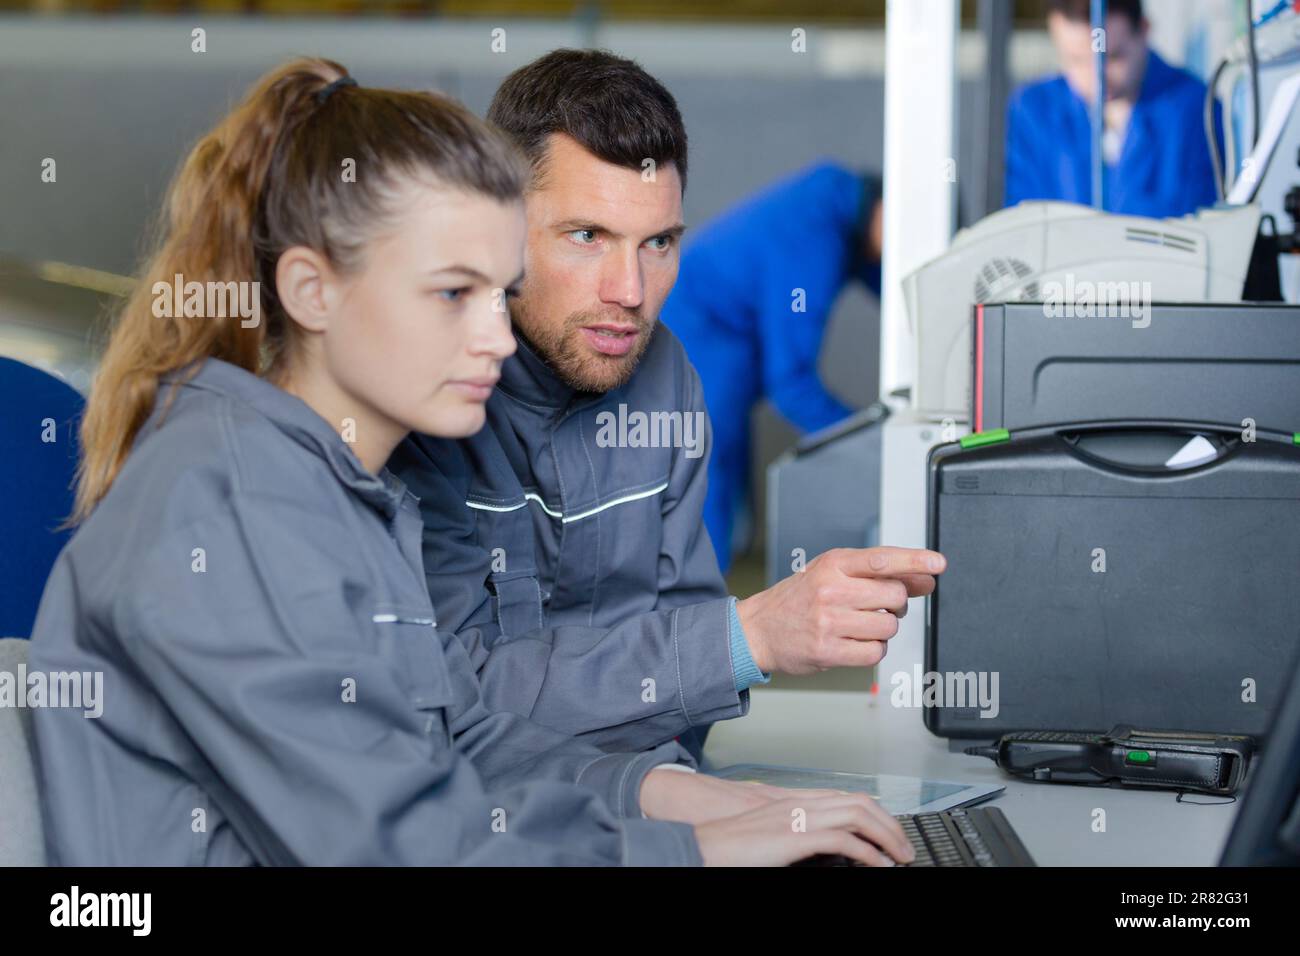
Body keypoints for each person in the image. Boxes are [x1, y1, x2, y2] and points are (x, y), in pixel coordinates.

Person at [28, 58, 914, 867]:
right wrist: (683, 853)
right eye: (454, 293)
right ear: (311, 291)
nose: (495, 337)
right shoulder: (232, 507)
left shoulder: (339, 491)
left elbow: (461, 741)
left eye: (497, 294)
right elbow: (400, 848)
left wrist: (698, 809)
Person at [390, 50, 945, 763]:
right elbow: (452, 713)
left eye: (658, 243)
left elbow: (680, 707)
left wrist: (673, 791)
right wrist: (748, 638)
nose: (630, 290)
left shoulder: (668, 380)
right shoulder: (426, 399)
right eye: (586, 236)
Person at [659, 161, 882, 571]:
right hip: (701, 330)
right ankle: (696, 604)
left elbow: (901, 295)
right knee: (707, 465)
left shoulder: (848, 216)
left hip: (716, 326)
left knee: (716, 472)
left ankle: (710, 586)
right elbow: (792, 385)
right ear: (888, 209)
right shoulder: (815, 234)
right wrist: (875, 439)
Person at [1005, 0, 1223, 217]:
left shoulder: (1197, 110)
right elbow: (1020, 222)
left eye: (1112, 58)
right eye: (1076, 60)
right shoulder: (1033, 114)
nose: (1096, 77)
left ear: (1144, 30)